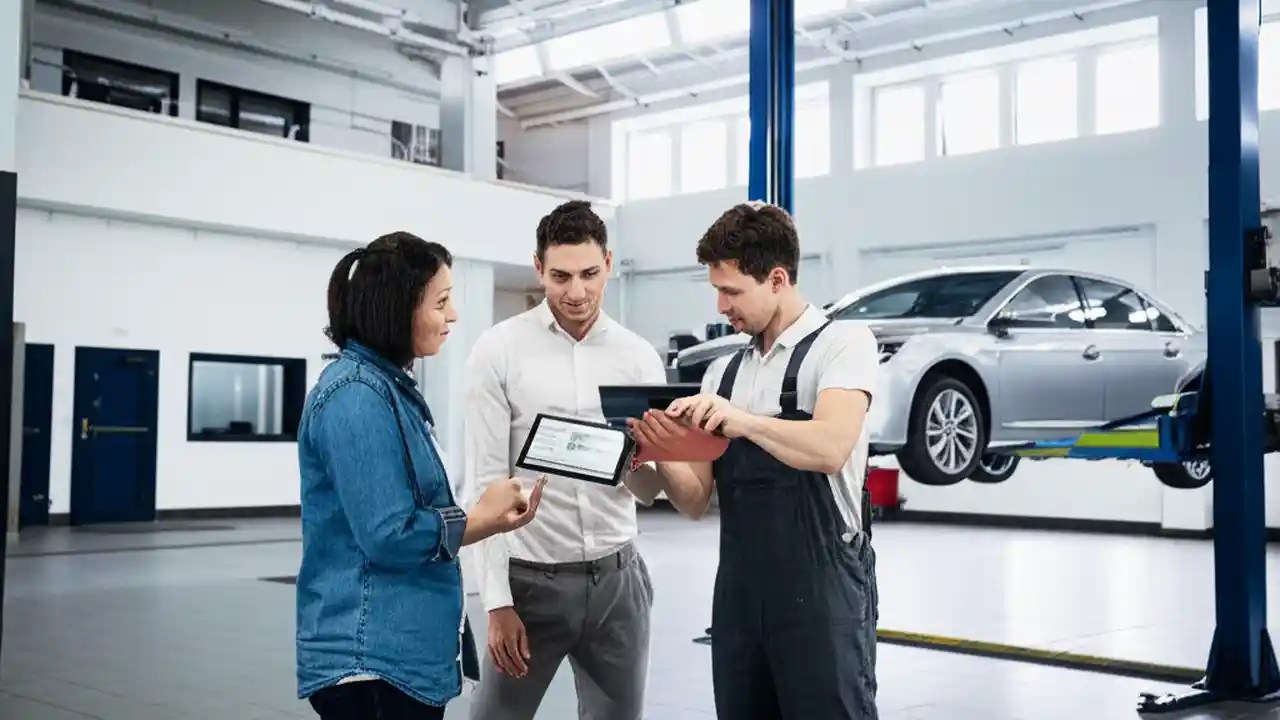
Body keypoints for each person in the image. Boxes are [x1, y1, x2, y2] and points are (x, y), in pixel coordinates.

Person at [629, 202, 882, 720]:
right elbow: (696, 500)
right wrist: (648, 455)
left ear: (777, 279)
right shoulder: (721, 372)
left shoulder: (843, 344)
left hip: (823, 591)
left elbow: (831, 446)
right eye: (717, 290)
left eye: (731, 291)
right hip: (741, 596)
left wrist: (740, 420)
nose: (721, 306)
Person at [296, 231, 547, 720]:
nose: (452, 316)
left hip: (398, 657)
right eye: (442, 302)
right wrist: (481, 521)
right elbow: (389, 535)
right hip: (371, 662)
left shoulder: (388, 388)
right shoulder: (356, 396)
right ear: (398, 307)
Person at [463, 200, 670, 720]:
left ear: (609, 263)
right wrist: (496, 602)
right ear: (538, 268)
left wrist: (640, 461)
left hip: (619, 581)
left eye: (589, 274)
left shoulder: (638, 356)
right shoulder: (499, 351)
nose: (576, 292)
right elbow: (485, 483)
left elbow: (649, 490)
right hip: (530, 582)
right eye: (560, 276)